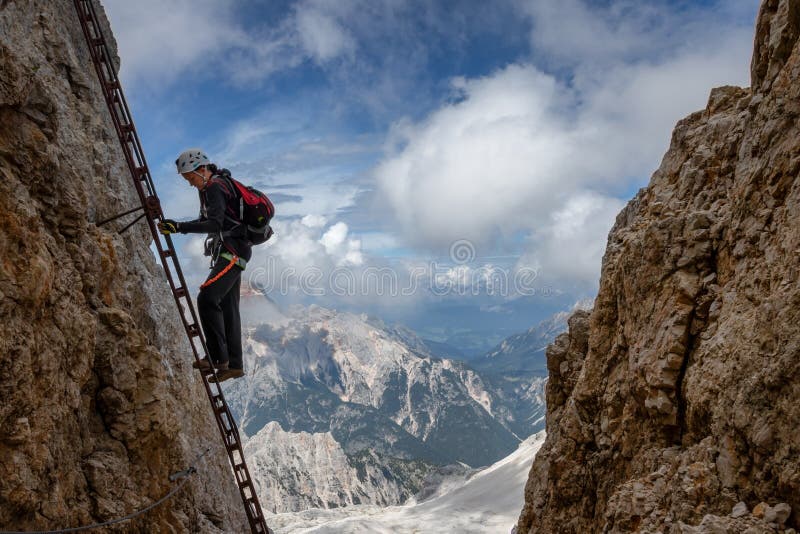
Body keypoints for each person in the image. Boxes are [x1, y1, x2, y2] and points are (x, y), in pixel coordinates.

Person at [157, 148, 250, 382]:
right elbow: (208, 220)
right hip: (234, 250)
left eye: (190, 178)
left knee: (207, 298)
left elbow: (214, 224)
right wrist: (177, 226)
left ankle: (217, 357)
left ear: (201, 169)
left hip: (231, 252)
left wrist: (180, 227)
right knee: (228, 307)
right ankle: (234, 365)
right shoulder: (216, 186)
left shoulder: (215, 187)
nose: (191, 184)